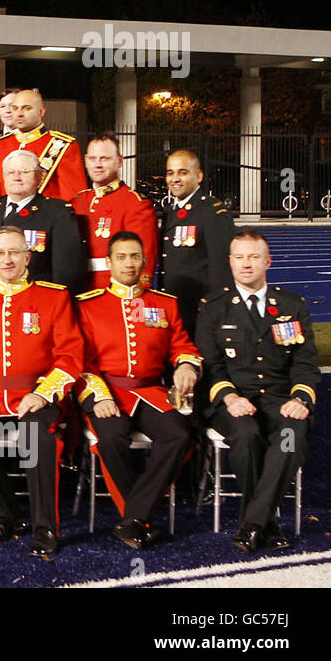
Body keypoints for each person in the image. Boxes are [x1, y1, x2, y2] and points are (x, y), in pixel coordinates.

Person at [0, 226, 83, 557]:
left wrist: (43, 393)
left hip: (40, 395)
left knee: (39, 439)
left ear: (28, 256)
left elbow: (70, 357)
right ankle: (4, 516)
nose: (7, 259)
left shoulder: (54, 297)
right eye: (0, 253)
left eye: (14, 252)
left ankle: (45, 527)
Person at [195, 230, 320, 553]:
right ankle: (269, 523)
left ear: (268, 261)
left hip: (281, 401)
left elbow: (305, 363)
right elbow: (211, 367)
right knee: (247, 434)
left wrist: (301, 398)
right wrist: (229, 397)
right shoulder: (213, 307)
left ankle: (252, 524)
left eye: (253, 257)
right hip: (233, 401)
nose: (246, 264)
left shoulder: (292, 305)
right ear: (230, 262)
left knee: (291, 435)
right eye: (239, 257)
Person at [76, 231, 199, 548]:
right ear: (109, 262)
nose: (128, 263)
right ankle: (139, 517)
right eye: (121, 257)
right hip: (106, 392)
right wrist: (98, 395)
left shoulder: (164, 303)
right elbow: (79, 361)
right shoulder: (88, 305)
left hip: (150, 392)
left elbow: (182, 347)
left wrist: (186, 366)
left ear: (145, 261)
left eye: (134, 256)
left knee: (180, 435)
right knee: (112, 438)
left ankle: (132, 518)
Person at [0, 150, 81, 288]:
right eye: (10, 172)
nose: (16, 177)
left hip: (36, 299)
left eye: (24, 172)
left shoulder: (57, 212)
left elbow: (66, 269)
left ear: (40, 176)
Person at [159, 148, 234, 335]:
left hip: (200, 313)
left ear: (199, 176)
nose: (175, 179)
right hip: (174, 309)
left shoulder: (212, 212)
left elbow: (221, 270)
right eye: (170, 173)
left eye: (183, 173)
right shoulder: (169, 212)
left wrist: (214, 314)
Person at [72, 133, 158, 291]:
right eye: (92, 159)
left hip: (113, 290)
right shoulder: (78, 201)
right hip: (78, 288)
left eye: (105, 159)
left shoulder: (136, 204)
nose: (98, 165)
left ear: (119, 161)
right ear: (85, 161)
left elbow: (143, 258)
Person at [0, 89, 87, 201]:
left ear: (41, 111)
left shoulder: (62, 145)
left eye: (27, 108)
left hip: (47, 216)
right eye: (15, 108)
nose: (19, 114)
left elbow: (74, 196)